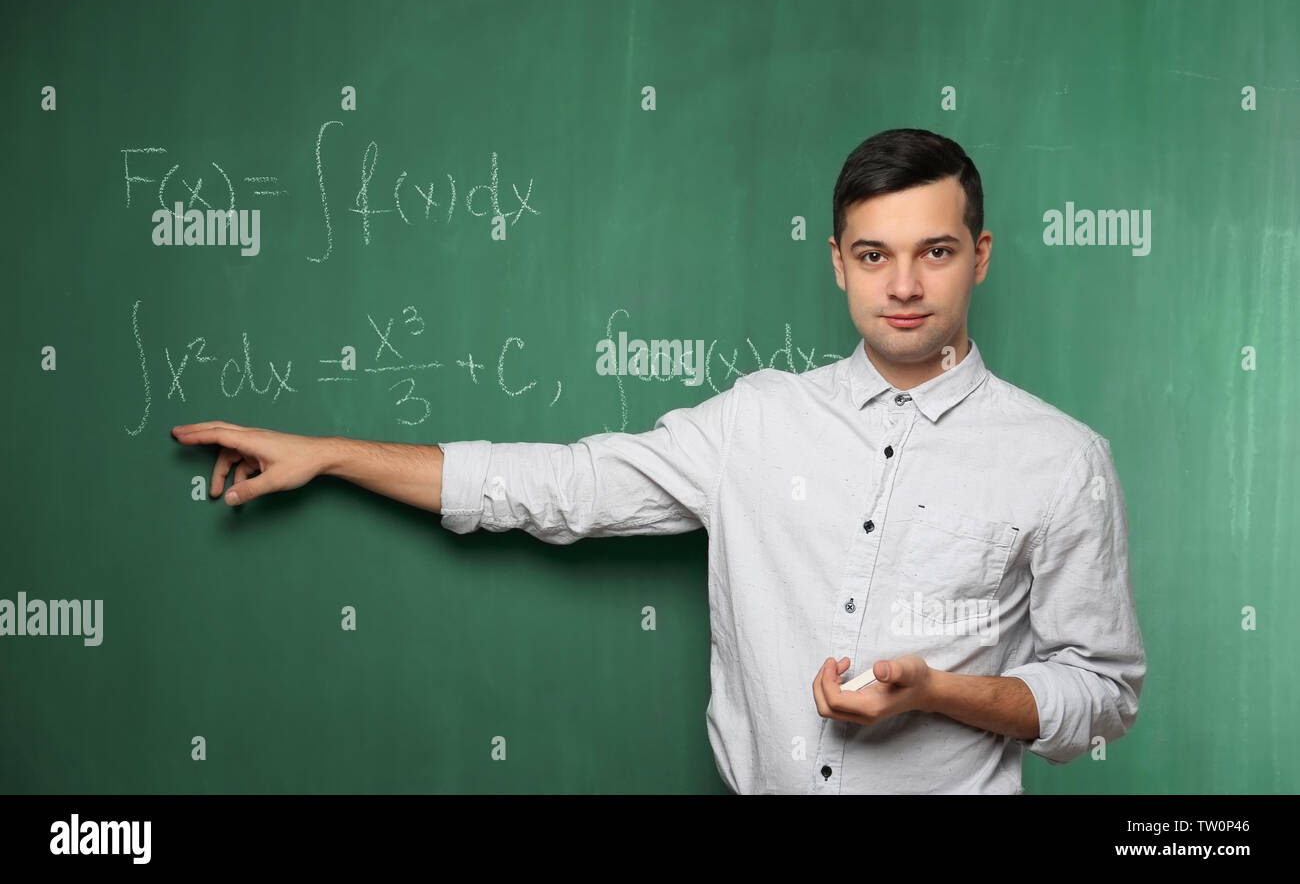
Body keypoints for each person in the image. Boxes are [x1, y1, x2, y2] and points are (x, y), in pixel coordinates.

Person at [173, 127, 1145, 794]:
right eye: (872, 252)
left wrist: (938, 692)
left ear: (979, 255)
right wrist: (332, 452)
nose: (901, 284)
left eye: (932, 251)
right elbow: (565, 488)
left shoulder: (1059, 459)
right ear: (836, 262)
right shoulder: (756, 420)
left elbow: (1100, 690)